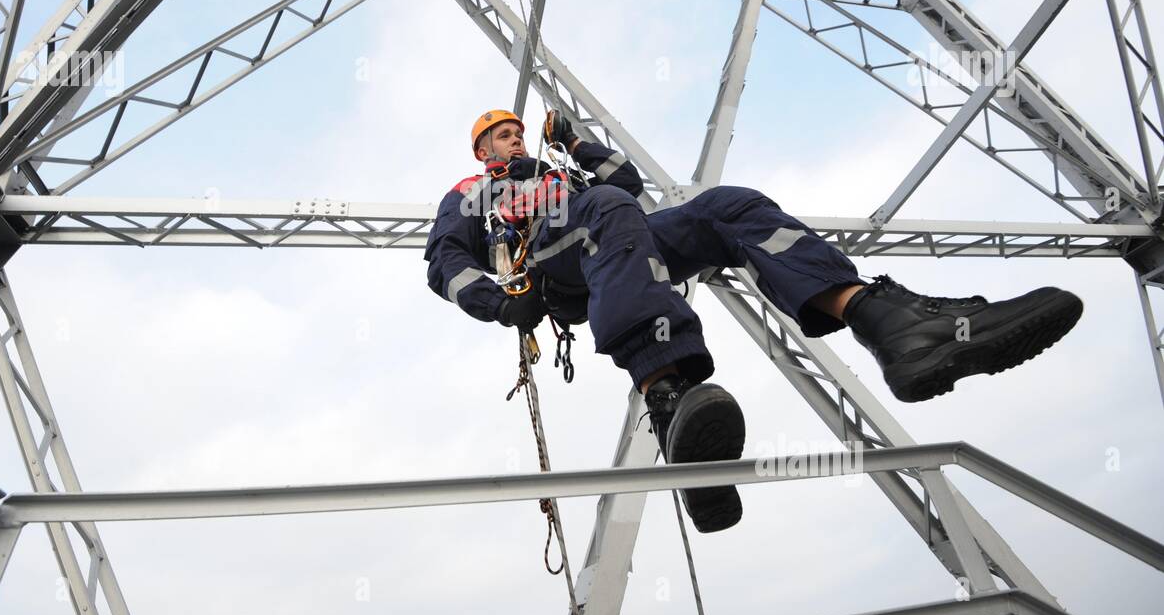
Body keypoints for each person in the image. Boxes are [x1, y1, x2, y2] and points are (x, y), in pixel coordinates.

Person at [423, 109, 1084, 533]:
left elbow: (626, 185)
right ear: (482, 149)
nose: (513, 136)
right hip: (554, 260)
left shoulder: (562, 173)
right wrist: (500, 302)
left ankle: (886, 319)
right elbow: (444, 260)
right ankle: (667, 394)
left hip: (612, 231)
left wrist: (573, 141)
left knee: (725, 206)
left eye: (515, 129)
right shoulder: (477, 192)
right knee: (605, 208)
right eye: (499, 134)